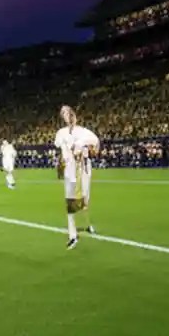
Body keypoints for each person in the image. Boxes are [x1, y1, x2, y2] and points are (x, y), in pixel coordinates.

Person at [54, 105, 100, 249]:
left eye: (68, 113)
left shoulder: (84, 132)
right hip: (70, 169)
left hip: (83, 168)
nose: (66, 116)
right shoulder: (60, 133)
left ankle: (87, 224)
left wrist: (84, 146)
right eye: (63, 114)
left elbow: (96, 143)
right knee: (70, 201)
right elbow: (58, 147)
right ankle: (72, 235)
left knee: (84, 199)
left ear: (73, 114)